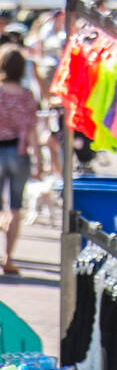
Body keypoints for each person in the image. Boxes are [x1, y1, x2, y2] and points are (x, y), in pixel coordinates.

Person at [0, 46, 42, 275]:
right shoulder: (26, 95)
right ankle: (9, 257)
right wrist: (39, 160)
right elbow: (32, 130)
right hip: (19, 151)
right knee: (16, 207)